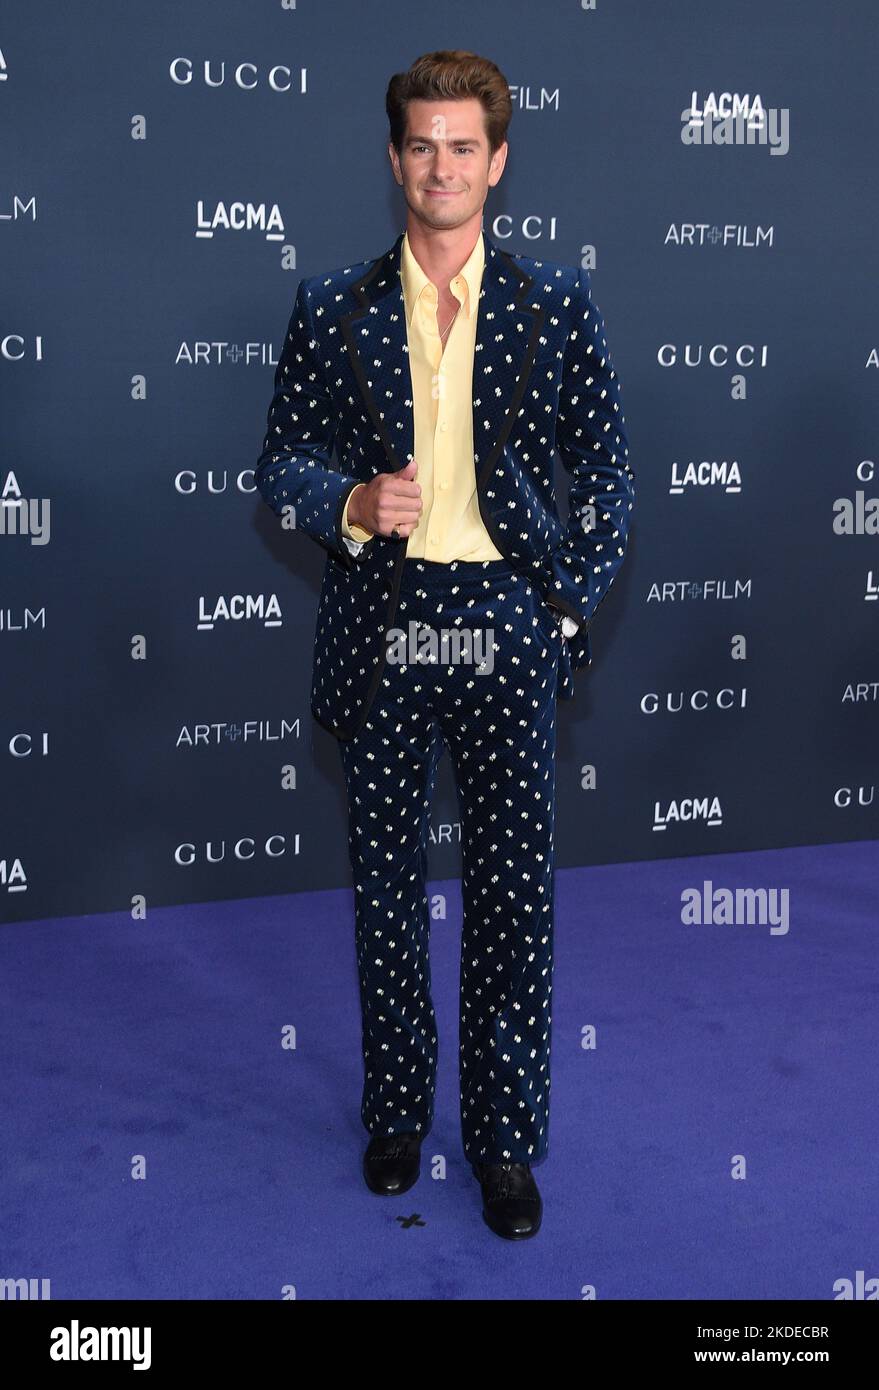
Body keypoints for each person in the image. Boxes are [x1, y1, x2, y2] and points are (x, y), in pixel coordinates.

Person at [254, 49, 634, 1241]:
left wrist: (565, 601)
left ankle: (507, 1146)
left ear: (499, 160)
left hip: (505, 623)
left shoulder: (554, 303)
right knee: (383, 893)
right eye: (422, 144)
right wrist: (352, 504)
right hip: (383, 622)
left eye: (463, 145)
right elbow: (281, 463)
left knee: (514, 903)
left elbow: (610, 470)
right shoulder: (333, 305)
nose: (441, 165)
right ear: (394, 158)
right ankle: (395, 1114)